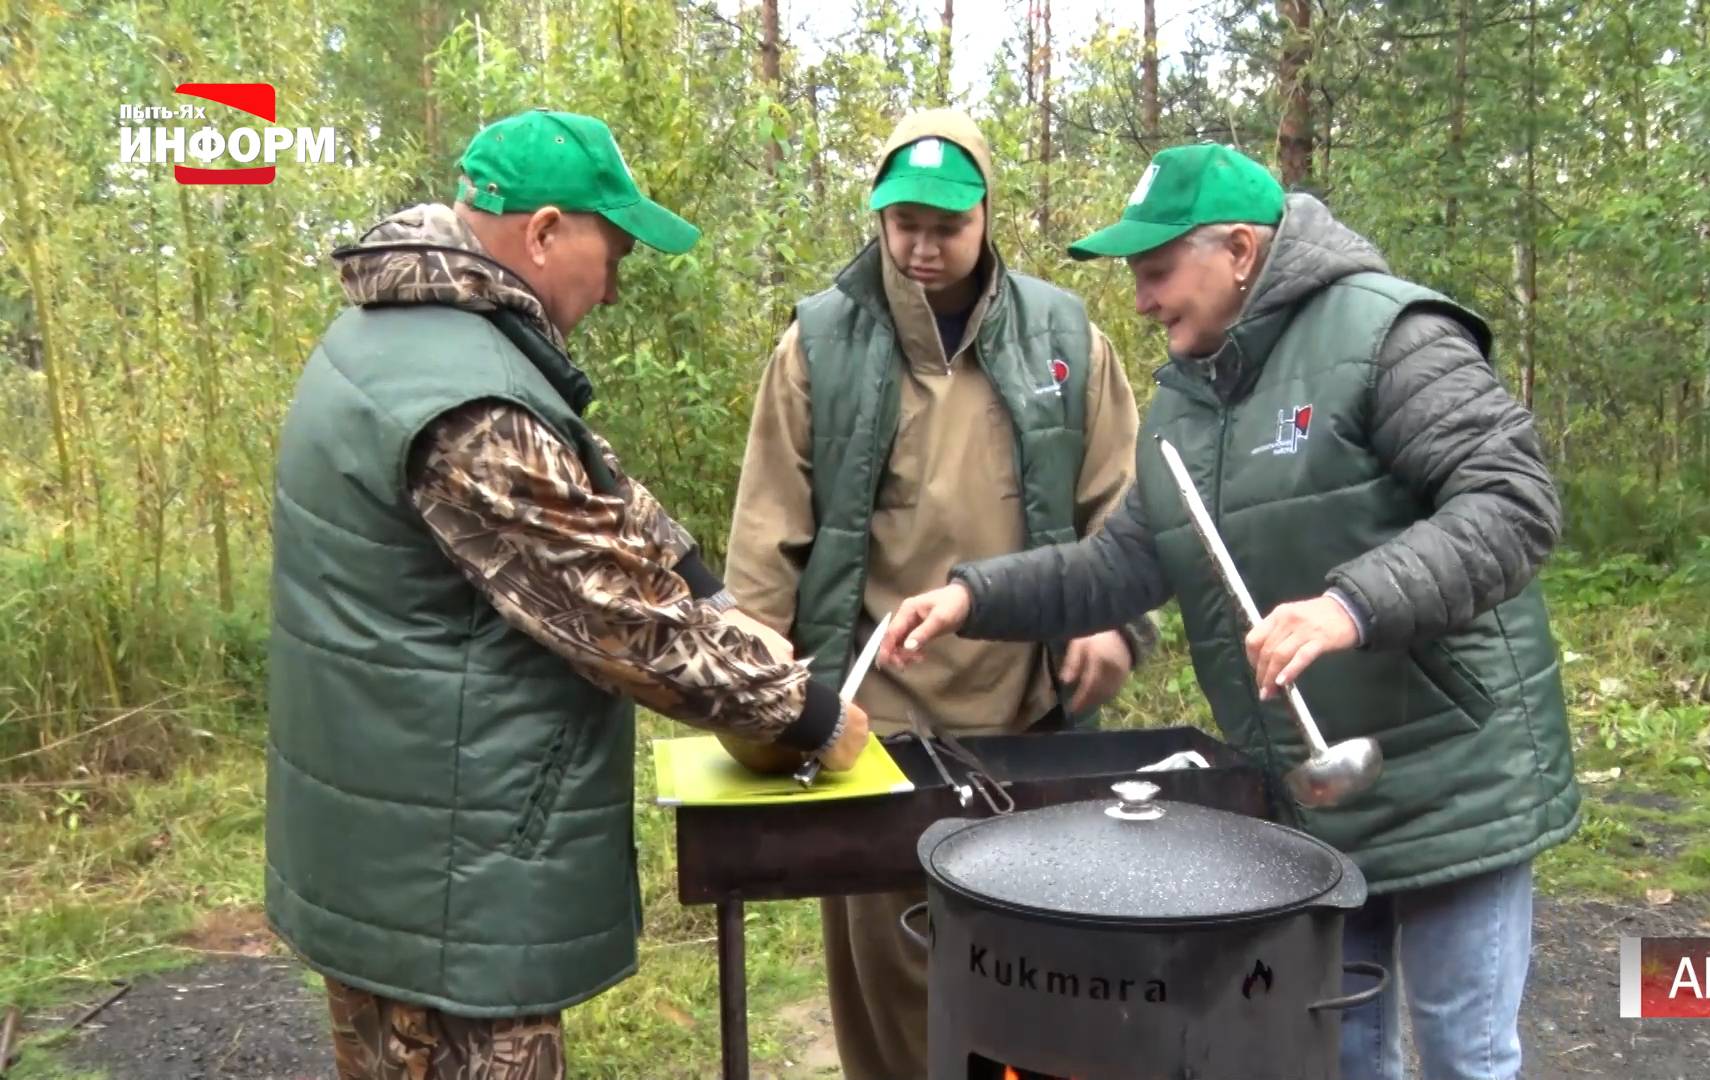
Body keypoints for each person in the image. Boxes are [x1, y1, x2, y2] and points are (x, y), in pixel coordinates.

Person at [880, 143, 1577, 1080]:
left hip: (1455, 775)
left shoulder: (1387, 332)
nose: (1140, 299)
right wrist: (973, 593)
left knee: (1465, 1055)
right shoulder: (1187, 404)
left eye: (1159, 271)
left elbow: (1511, 500)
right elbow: (1126, 563)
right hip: (1318, 791)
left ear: (1241, 250)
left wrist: (1349, 606)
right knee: (1338, 1048)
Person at [264, 108, 868, 1080]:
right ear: (545, 232)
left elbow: (588, 485)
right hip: (447, 894)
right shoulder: (469, 406)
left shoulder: (407, 336)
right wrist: (810, 714)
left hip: (398, 854)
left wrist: (708, 591)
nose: (619, 284)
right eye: (613, 251)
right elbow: (620, 626)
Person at [721, 108, 1155, 1080]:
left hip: (1032, 714)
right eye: (902, 221)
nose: (922, 244)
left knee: (1036, 972)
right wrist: (759, 675)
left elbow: (1126, 504)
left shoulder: (1063, 337)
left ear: (986, 217)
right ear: (878, 218)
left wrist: (1116, 626)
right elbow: (766, 536)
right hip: (876, 724)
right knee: (896, 986)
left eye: (946, 224)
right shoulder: (818, 346)